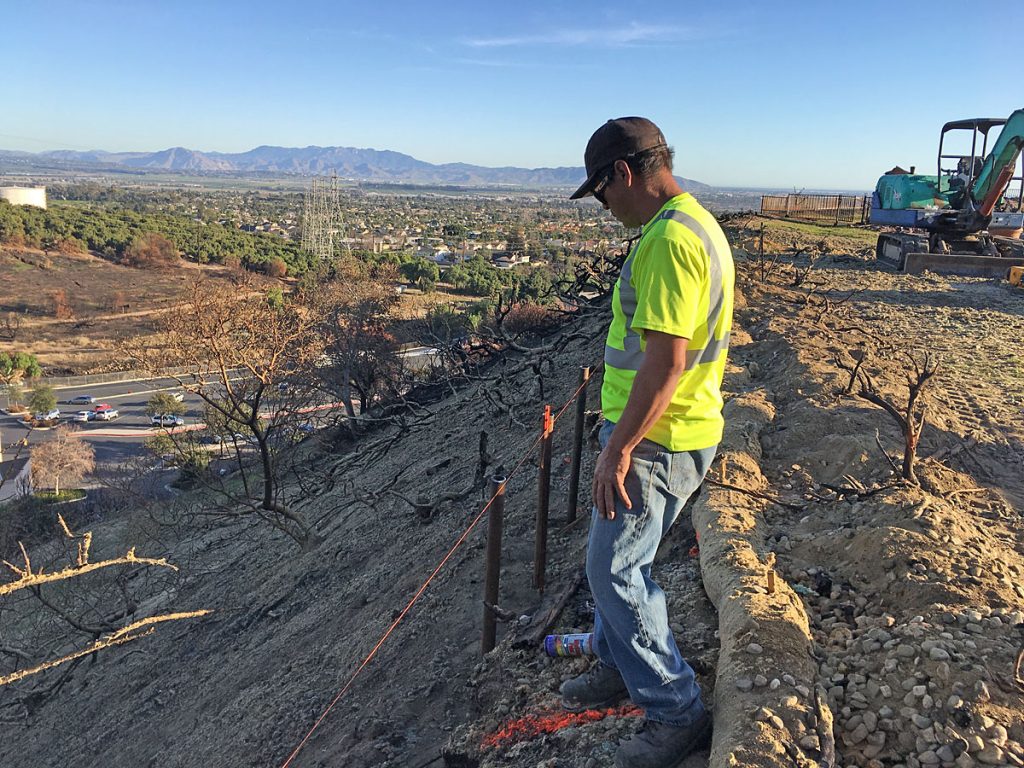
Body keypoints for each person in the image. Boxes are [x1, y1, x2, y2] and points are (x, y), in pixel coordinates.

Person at [561, 117, 734, 768]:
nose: (605, 209)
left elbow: (665, 362)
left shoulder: (667, 243)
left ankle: (675, 711)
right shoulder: (697, 224)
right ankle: (616, 661)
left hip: (658, 437)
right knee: (615, 558)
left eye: (602, 194)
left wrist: (618, 448)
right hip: (670, 430)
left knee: (616, 569)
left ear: (624, 174)